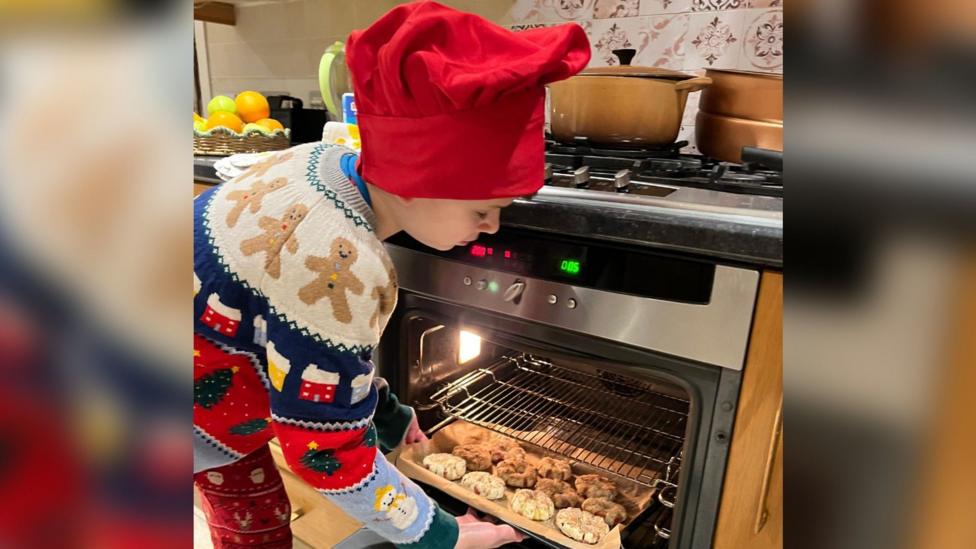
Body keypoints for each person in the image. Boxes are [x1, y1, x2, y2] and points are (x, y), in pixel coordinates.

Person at [192, 2, 590, 548]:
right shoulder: (339, 265)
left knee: (258, 519)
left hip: (204, 385)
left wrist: (388, 417)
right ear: (410, 180)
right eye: (482, 209)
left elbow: (307, 357)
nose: (493, 227)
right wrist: (443, 535)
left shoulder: (321, 162)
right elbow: (322, 453)